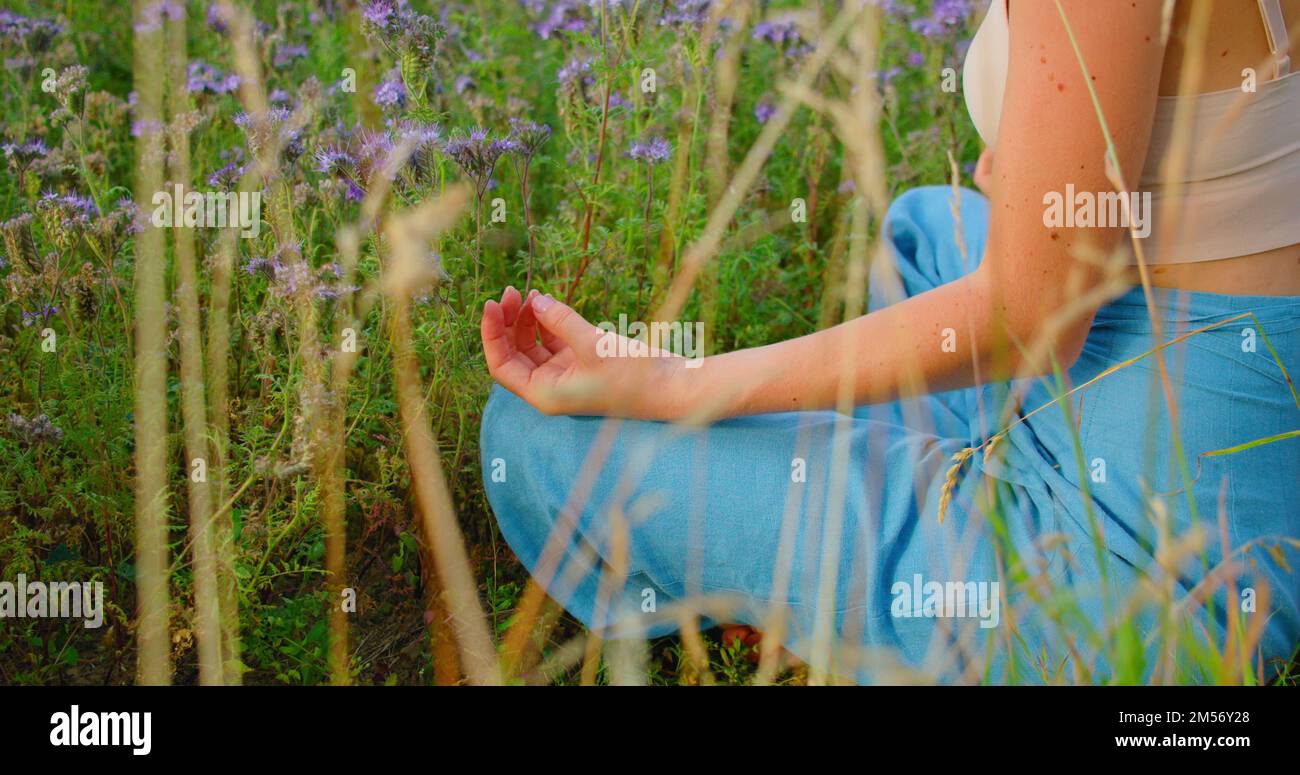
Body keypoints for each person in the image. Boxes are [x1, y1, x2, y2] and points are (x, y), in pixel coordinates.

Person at [478, 0, 1300, 681]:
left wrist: (676, 379)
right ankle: (902, 518)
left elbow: (1027, 324)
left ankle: (913, 560)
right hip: (1209, 382)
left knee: (537, 432)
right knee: (921, 230)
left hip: (1149, 573)